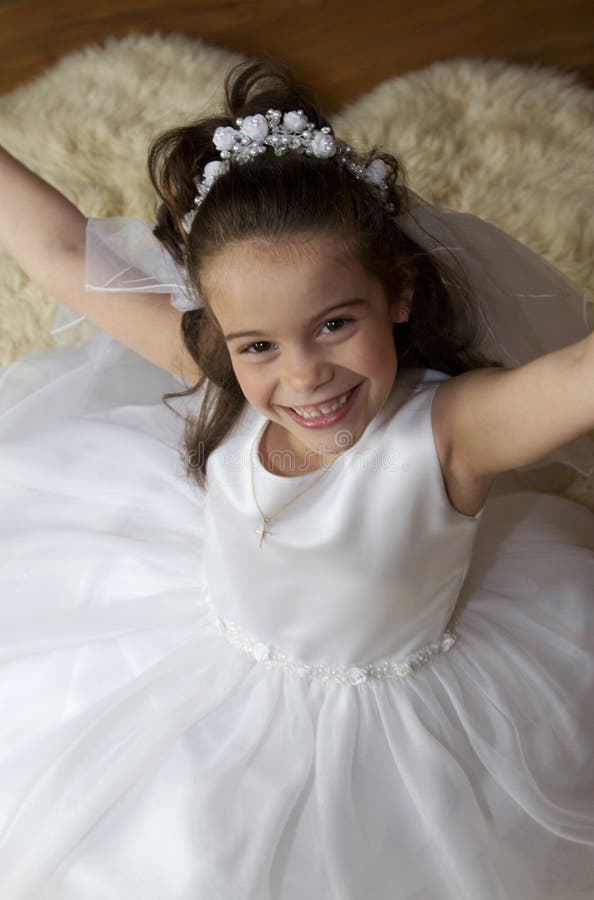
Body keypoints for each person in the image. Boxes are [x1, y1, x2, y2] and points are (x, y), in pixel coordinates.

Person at [0, 59, 592, 900]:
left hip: (380, 723)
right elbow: (64, 253)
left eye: (335, 323)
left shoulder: (453, 433)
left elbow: (577, 377)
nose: (305, 374)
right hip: (200, 643)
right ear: (221, 334)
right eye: (260, 345)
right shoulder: (221, 369)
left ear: (397, 294)